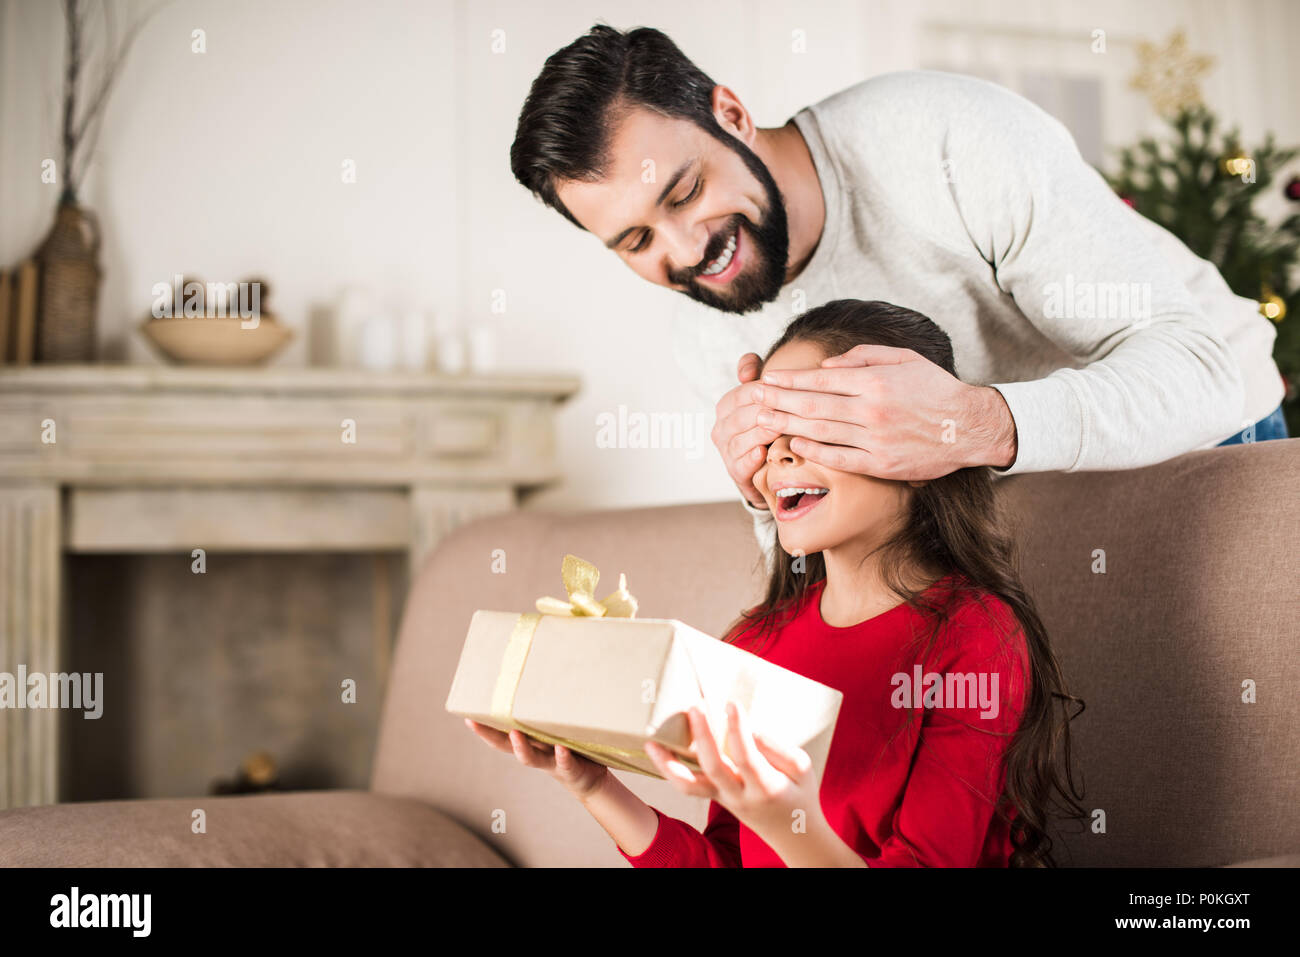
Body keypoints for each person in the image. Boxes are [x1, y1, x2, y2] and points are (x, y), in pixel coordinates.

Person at [509, 25, 1288, 552]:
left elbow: (1201, 367)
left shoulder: (943, 142)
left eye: (683, 194)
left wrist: (975, 422)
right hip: (1021, 509)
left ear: (733, 114)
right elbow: (821, 564)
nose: (687, 252)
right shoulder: (711, 333)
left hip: (1208, 442)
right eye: (637, 240)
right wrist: (768, 500)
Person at [465, 299, 1085, 867]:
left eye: (812, 420)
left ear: (920, 450)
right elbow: (727, 860)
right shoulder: (757, 643)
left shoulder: (973, 634)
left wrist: (785, 819)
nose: (779, 452)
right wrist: (593, 783)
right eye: (767, 426)